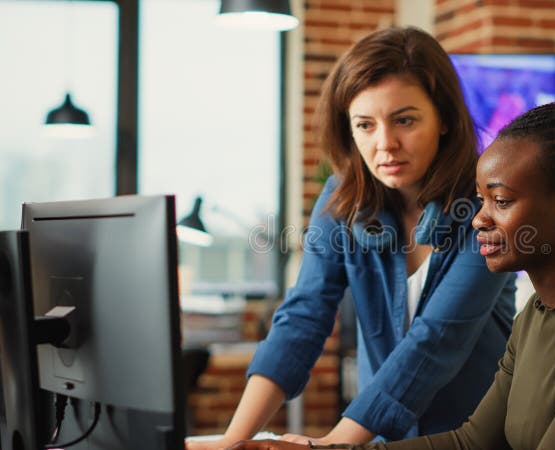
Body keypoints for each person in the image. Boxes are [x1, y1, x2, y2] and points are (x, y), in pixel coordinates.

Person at [226, 83, 555, 450]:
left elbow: (434, 344)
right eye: (481, 199)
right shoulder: (535, 317)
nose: (478, 218)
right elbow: (472, 440)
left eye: (500, 201)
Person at [185, 26, 516, 449]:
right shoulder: (343, 198)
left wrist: (334, 443)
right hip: (375, 440)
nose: (385, 144)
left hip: (470, 439)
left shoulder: (490, 204)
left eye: (405, 120)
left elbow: (435, 340)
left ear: (445, 118)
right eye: (365, 124)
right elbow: (303, 317)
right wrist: (233, 440)